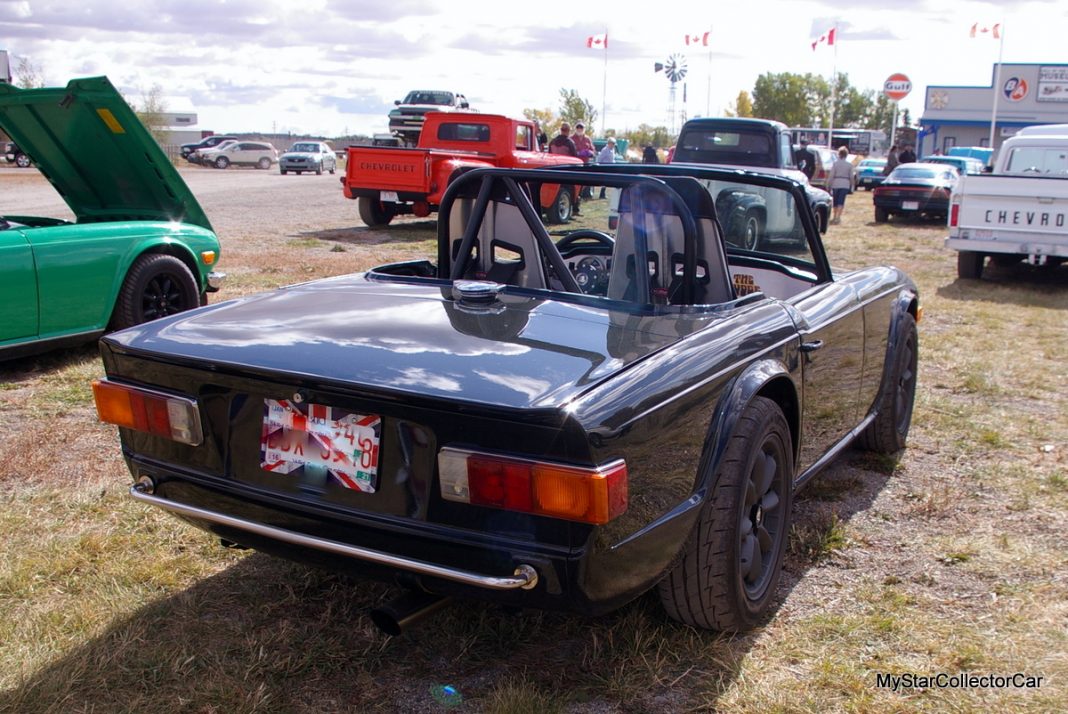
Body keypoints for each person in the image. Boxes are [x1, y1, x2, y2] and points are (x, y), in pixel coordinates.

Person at [829, 146, 855, 225]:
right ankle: (838, 217)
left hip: (836, 183)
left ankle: (834, 216)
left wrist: (828, 184)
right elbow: (851, 176)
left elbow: (831, 175)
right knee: (841, 201)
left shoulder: (835, 164)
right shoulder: (849, 165)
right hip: (845, 183)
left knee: (835, 201)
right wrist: (852, 185)